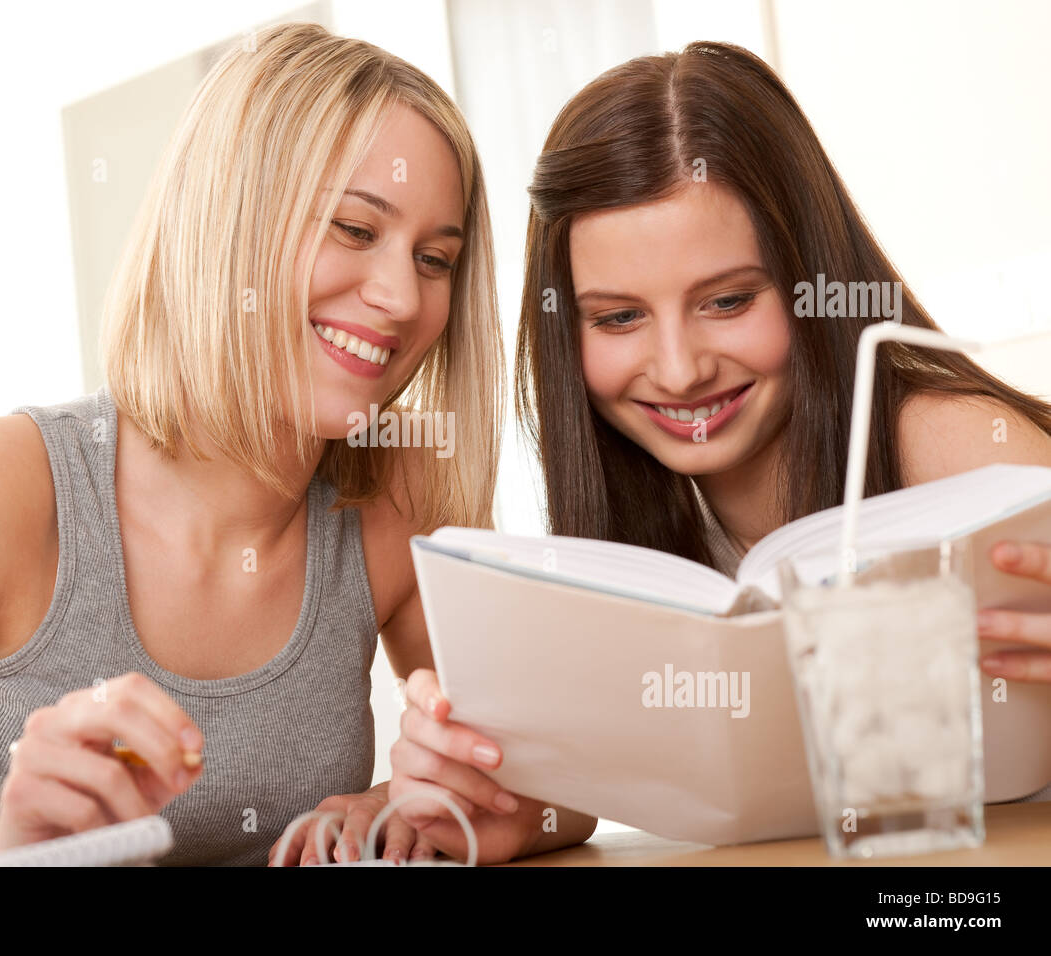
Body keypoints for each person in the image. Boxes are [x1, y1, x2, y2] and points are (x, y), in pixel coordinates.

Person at [0, 22, 505, 866]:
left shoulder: (403, 496)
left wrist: (400, 805)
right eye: (354, 229)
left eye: (434, 259)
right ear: (226, 225)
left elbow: (543, 787)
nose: (398, 297)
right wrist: (10, 851)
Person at [388, 41, 1051, 863]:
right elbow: (603, 804)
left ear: (809, 275)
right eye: (618, 318)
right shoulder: (627, 532)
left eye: (728, 300)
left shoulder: (961, 454)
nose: (679, 370)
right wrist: (512, 805)